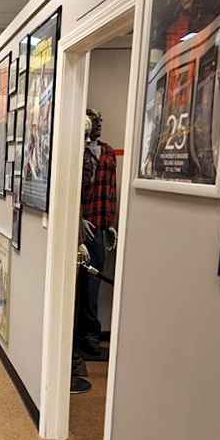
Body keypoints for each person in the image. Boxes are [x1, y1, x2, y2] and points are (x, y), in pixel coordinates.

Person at [75, 108, 117, 359]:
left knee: (93, 284)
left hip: (100, 226)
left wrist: (111, 223)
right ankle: (73, 333)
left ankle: (89, 333)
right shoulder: (76, 153)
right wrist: (76, 219)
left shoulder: (109, 153)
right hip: (80, 225)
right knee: (73, 283)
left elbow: (111, 190)